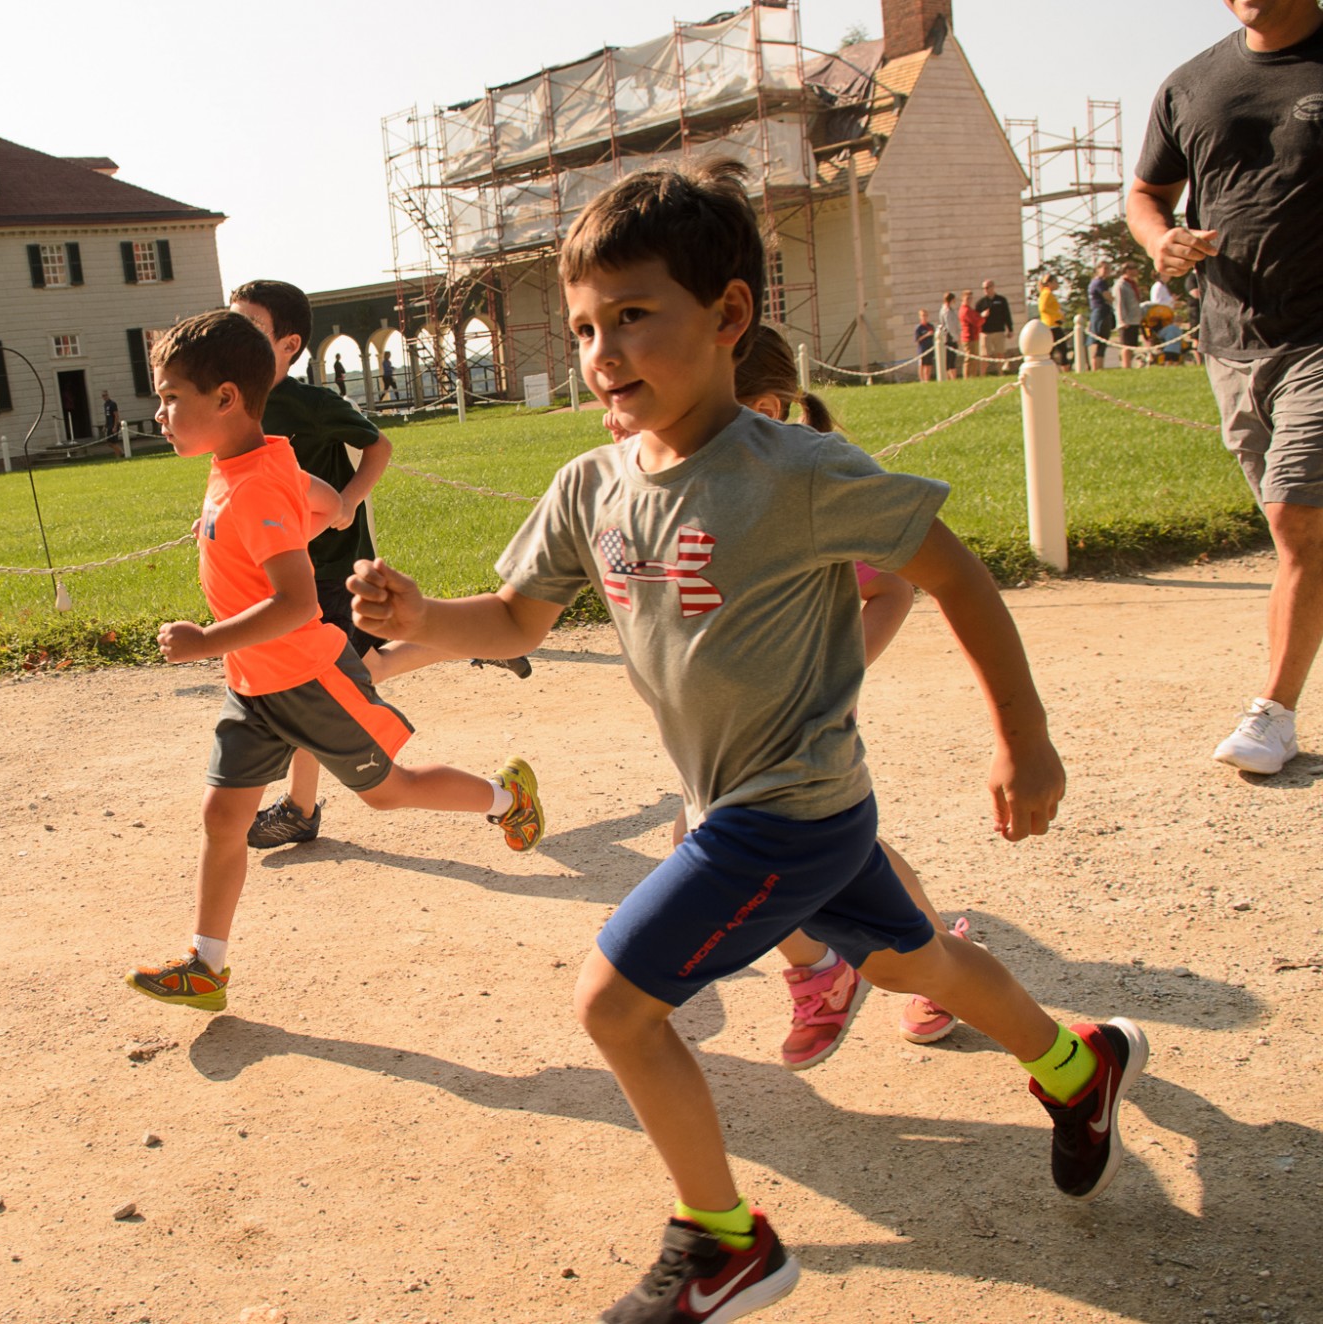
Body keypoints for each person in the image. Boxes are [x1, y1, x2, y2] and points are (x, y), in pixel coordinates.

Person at [349, 161, 1146, 1323]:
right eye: (584, 327)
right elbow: (516, 619)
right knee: (914, 962)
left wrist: (1022, 742)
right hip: (764, 809)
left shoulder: (796, 473)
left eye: (632, 314)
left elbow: (954, 572)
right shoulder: (588, 486)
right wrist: (424, 616)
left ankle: (723, 1244)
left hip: (787, 811)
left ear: (728, 315)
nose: (602, 350)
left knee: (613, 1005)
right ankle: (1077, 1067)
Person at [122, 310, 544, 1013]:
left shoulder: (255, 483)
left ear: (225, 398)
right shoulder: (248, 463)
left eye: (170, 397)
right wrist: (298, 518)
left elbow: (295, 605)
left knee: (390, 792)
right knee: (224, 818)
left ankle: (508, 798)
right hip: (254, 686)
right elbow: (322, 503)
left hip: (308, 679)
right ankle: (206, 966)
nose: (159, 413)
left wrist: (203, 641)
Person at [689, 325, 974, 1064]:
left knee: (809, 842)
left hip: (799, 715)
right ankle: (833, 968)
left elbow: (893, 586)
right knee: (746, 844)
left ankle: (923, 961)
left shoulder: (809, 489)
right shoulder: (691, 482)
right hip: (722, 722)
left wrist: (835, 676)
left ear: (763, 408)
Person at [230, 279, 530, 851]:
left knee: (317, 679)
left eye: (249, 326)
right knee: (355, 670)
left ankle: (300, 808)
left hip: (327, 568)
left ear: (289, 345)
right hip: (280, 567)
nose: (234, 335)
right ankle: (478, 638)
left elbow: (379, 446)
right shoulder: (235, 402)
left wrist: (346, 502)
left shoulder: (310, 403)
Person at [1130, 0, 1323, 775]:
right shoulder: (1191, 84)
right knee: (1298, 531)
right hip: (1231, 343)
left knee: (1297, 518)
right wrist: (1160, 240)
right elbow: (1147, 193)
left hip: (1318, 340)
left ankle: (1273, 715)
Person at [975, 279, 1014, 373]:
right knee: (984, 355)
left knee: (1000, 353)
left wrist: (1010, 329)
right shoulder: (980, 302)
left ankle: (1001, 373)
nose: (985, 290)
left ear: (993, 287)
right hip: (985, 332)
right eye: (983, 288)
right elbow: (975, 318)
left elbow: (1007, 315)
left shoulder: (1001, 300)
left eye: (987, 287)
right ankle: (983, 375)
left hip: (999, 331)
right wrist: (981, 315)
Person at [1088, 260, 1117, 368]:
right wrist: (1111, 298)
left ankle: (1099, 366)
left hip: (1102, 312)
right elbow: (1108, 296)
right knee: (1098, 340)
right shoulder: (1099, 283)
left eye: (1109, 269)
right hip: (1100, 312)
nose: (1107, 271)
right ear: (1098, 269)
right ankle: (1096, 366)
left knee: (1102, 342)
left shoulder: (1100, 282)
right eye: (1105, 268)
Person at [1037, 273, 1069, 367]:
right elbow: (1043, 308)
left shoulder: (1047, 293)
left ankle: (1058, 368)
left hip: (1052, 324)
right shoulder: (1047, 293)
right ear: (1049, 283)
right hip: (1051, 325)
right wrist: (1058, 315)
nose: (1057, 284)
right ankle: (1064, 368)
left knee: (1054, 350)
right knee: (1062, 349)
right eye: (1055, 282)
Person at [1115, 267, 1145, 366]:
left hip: (1135, 319)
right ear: (1127, 270)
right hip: (1126, 320)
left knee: (1132, 345)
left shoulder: (1132, 284)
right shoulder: (1121, 285)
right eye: (1133, 268)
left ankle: (1130, 365)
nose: (1136, 271)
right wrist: (1122, 320)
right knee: (1126, 345)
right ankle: (1126, 366)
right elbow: (1119, 303)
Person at [937, 292, 962, 379]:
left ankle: (951, 377)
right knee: (950, 359)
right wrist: (957, 338)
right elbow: (950, 326)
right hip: (949, 338)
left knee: (951, 359)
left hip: (951, 337)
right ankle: (951, 378)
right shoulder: (946, 311)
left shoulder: (950, 310)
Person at [958, 294, 984, 378]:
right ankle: (966, 376)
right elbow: (976, 322)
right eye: (967, 298)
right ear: (962, 299)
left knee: (974, 358)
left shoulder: (969, 309)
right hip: (969, 337)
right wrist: (982, 317)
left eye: (970, 298)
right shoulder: (965, 310)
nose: (969, 300)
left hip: (974, 336)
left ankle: (973, 375)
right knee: (969, 358)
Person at [913, 308, 936, 382]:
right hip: (922, 349)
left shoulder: (930, 326)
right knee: (922, 365)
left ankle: (927, 379)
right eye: (923, 315)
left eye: (926, 315)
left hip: (930, 347)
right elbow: (917, 339)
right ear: (920, 317)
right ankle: (922, 380)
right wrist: (926, 335)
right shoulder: (919, 328)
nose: (924, 317)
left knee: (929, 365)